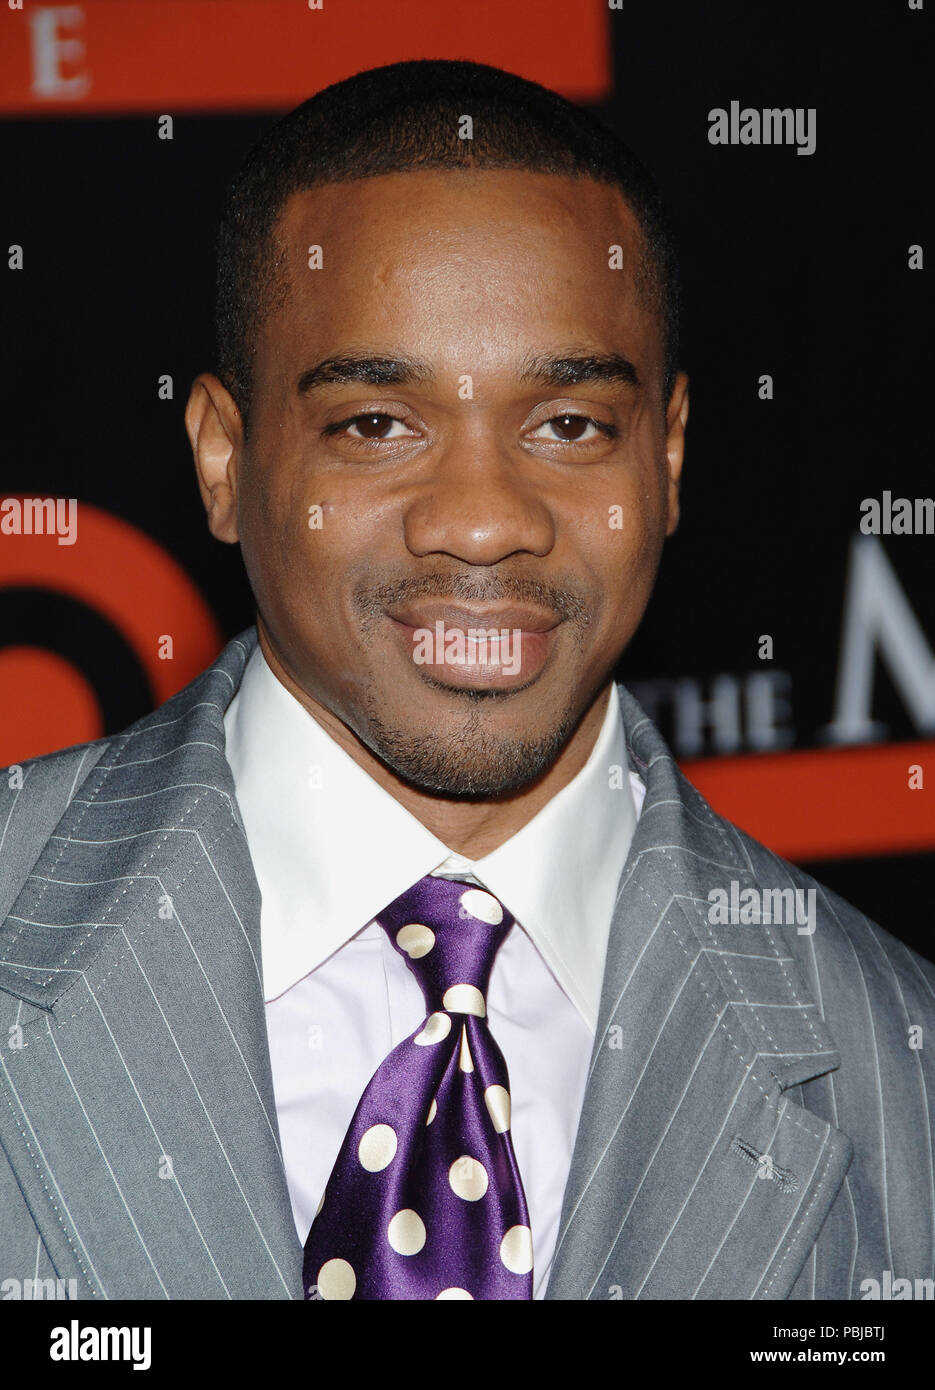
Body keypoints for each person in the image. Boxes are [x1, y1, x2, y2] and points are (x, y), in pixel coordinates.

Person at [1, 59, 932, 1302]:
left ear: (666, 455)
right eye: (377, 424)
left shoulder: (899, 1066)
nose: (484, 523)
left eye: (567, 425)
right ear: (224, 459)